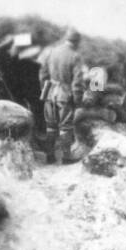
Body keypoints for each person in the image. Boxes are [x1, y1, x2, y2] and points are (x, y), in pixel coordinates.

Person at [38, 26, 85, 164]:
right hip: (64, 94)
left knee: (50, 126)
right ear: (76, 42)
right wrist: (77, 99)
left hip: (50, 93)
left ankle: (50, 156)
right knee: (66, 127)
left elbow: (43, 74)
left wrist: (45, 89)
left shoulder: (51, 52)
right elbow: (77, 81)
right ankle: (66, 157)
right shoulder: (75, 56)